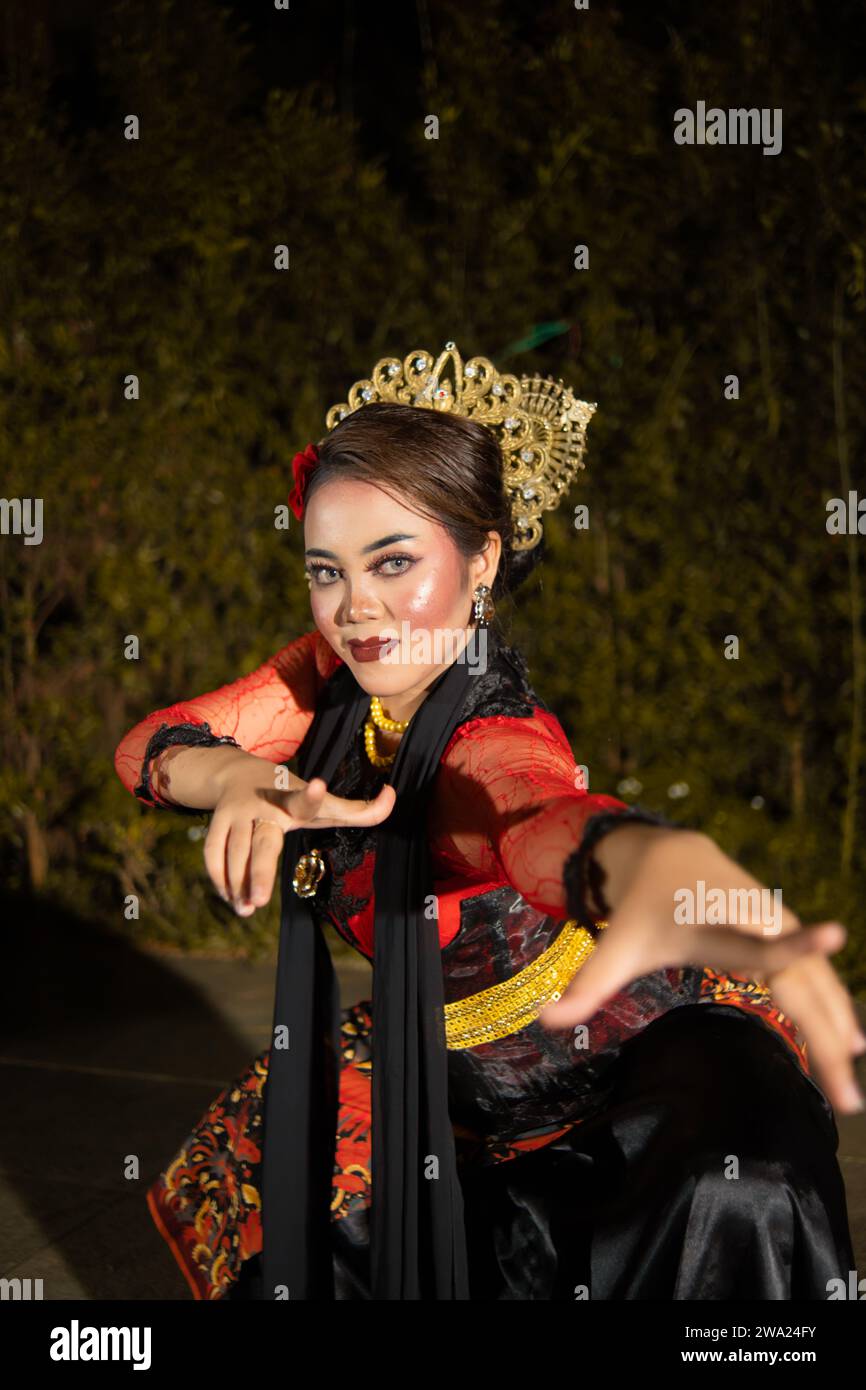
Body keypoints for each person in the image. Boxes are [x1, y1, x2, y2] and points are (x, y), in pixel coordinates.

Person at [113, 342, 862, 1301]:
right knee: (278, 1201)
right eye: (325, 570)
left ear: (485, 561)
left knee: (726, 1200)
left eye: (393, 561)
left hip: (642, 1056)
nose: (358, 606)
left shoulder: (488, 730)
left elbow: (533, 810)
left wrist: (641, 857)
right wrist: (231, 776)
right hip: (453, 1062)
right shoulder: (329, 672)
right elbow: (148, 747)